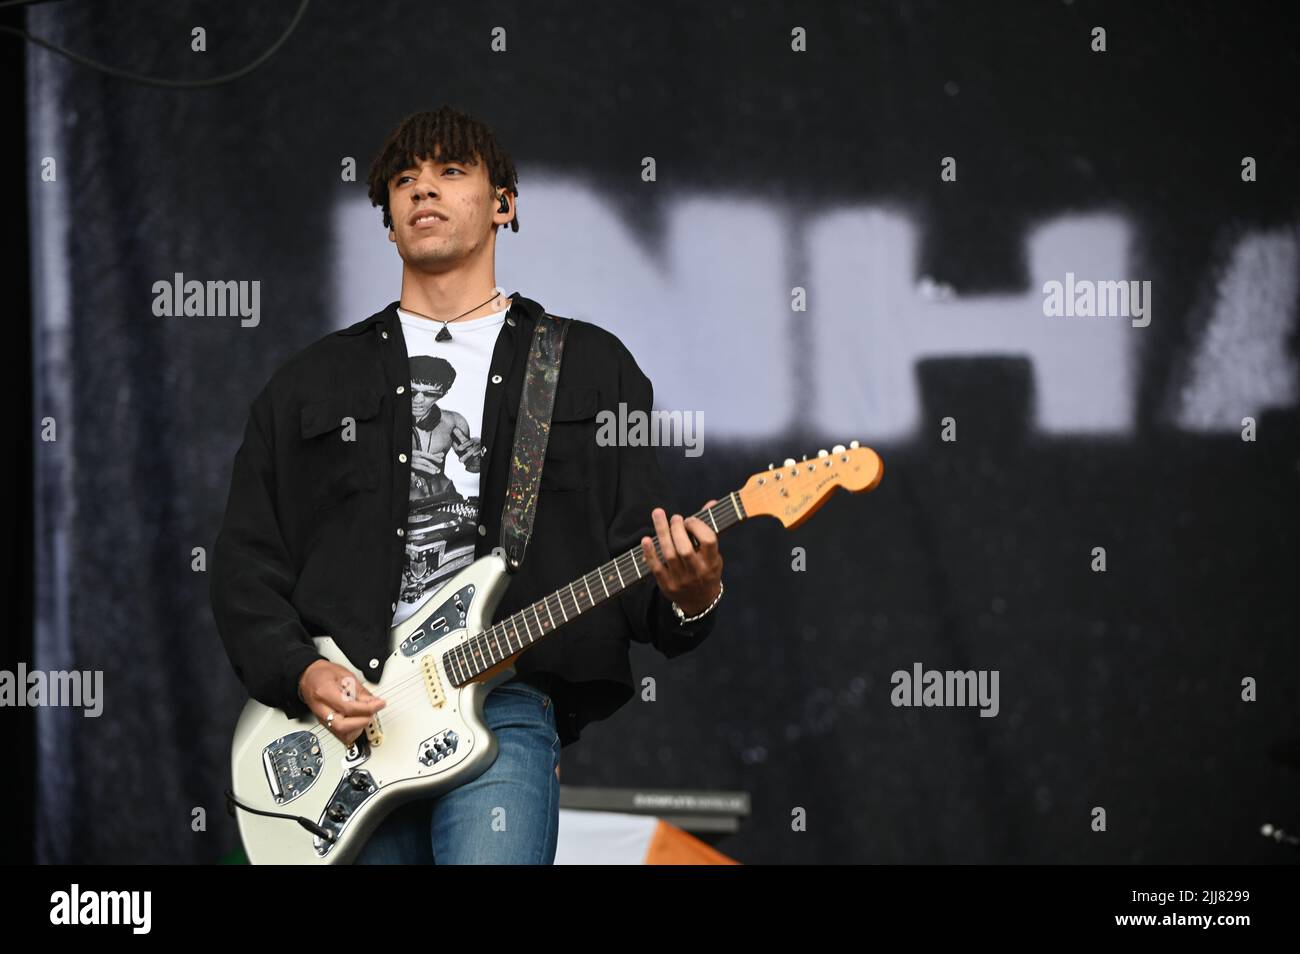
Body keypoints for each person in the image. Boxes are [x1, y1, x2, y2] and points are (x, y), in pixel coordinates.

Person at [210, 104, 724, 865]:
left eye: (452, 172)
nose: (424, 190)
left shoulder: (586, 367)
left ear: (504, 204)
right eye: (405, 180)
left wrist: (693, 592)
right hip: (344, 723)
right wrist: (304, 670)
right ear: (386, 217)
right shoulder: (311, 382)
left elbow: (637, 560)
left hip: (503, 704)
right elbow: (247, 563)